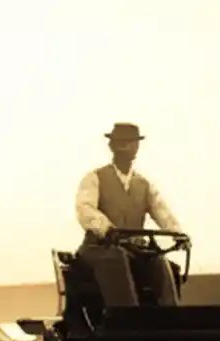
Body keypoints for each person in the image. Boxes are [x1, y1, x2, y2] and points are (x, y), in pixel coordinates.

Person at [74, 122, 185, 307]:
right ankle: (126, 318)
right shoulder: (95, 178)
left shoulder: (143, 184)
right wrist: (106, 229)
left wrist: (177, 233)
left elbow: (161, 210)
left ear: (137, 147)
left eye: (131, 143)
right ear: (112, 146)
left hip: (133, 249)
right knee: (115, 258)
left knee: (158, 260)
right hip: (98, 248)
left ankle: (170, 318)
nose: (126, 148)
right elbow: (85, 208)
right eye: (121, 143)